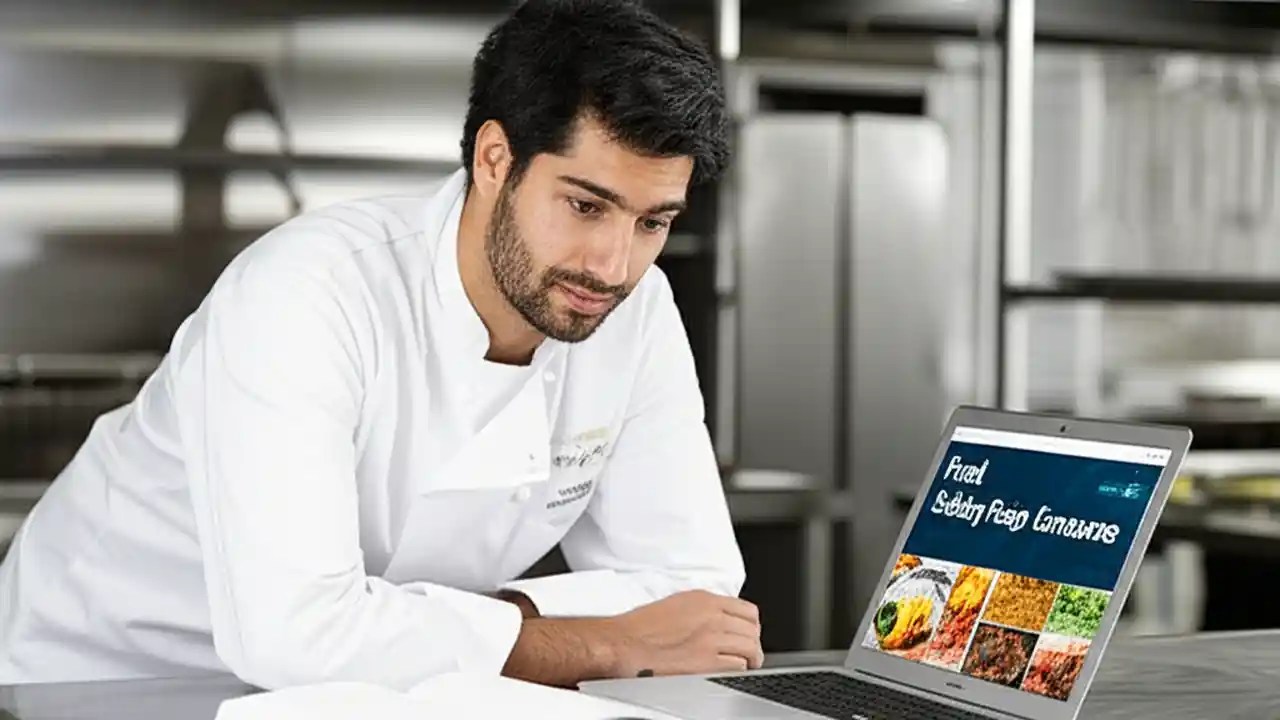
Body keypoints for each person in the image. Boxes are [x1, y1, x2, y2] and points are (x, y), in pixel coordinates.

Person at [0, 0, 762, 691]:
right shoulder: (309, 293)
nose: (613, 264)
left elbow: (697, 592)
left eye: (653, 222)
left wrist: (440, 626)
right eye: (585, 205)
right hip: (101, 678)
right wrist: (605, 641)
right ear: (495, 160)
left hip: (359, 694)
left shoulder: (634, 309)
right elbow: (296, 638)